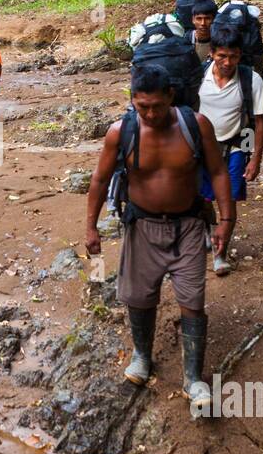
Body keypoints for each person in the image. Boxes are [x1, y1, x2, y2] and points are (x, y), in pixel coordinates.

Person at [86, 62, 236, 413]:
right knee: (138, 297)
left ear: (171, 96)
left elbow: (217, 171)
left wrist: (227, 219)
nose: (150, 114)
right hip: (142, 226)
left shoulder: (194, 126)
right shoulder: (120, 132)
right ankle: (141, 355)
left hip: (187, 226)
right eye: (142, 107)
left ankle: (193, 377)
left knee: (192, 300)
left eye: (156, 105)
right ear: (133, 101)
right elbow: (98, 180)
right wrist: (91, 227)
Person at [197, 23, 263, 276]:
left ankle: (221, 253)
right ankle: (208, 229)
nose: (228, 62)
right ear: (212, 53)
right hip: (202, 149)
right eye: (222, 56)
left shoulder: (251, 80)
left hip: (236, 147)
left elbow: (260, 120)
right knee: (204, 198)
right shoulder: (199, 77)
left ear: (241, 54)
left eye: (234, 56)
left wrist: (255, 159)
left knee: (229, 200)